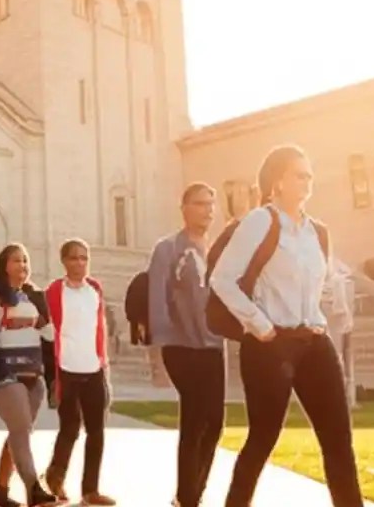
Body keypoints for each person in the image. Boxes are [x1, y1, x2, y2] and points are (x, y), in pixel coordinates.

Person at [209, 145, 363, 507]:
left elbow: (319, 284)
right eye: (299, 175)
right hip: (270, 343)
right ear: (277, 181)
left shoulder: (318, 232)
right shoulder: (261, 221)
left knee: (339, 440)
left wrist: (327, 308)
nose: (308, 182)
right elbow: (223, 279)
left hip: (314, 343)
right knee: (263, 437)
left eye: (310, 175)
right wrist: (259, 325)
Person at [0, 244, 62, 507]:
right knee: (20, 428)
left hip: (33, 372)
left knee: (21, 432)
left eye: (26, 261)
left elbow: (50, 335)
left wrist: (38, 321)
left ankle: (1, 491)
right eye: (17, 261)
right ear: (4, 266)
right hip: (3, 371)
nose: (23, 266)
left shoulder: (34, 296)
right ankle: (34, 488)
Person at [146, 182, 224, 507]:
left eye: (211, 203)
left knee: (215, 423)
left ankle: (191, 493)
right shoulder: (168, 249)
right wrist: (157, 355)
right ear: (184, 208)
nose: (207, 209)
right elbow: (157, 301)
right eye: (199, 203)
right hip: (181, 345)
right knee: (194, 418)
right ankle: (189, 498)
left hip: (213, 346)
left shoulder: (218, 252)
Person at [43, 239, 116, 505]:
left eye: (84, 258)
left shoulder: (95, 288)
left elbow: (100, 328)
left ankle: (90, 491)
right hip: (67, 370)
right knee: (70, 429)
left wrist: (104, 363)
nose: (80, 263)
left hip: (94, 369)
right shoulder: (53, 291)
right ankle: (55, 476)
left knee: (96, 432)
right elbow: (46, 326)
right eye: (74, 258)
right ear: (64, 261)